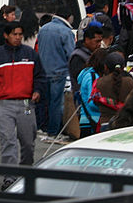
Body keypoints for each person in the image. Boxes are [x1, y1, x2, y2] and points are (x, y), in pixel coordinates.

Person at [0, 24, 44, 188]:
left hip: (26, 104)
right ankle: (9, 178)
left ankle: (25, 174)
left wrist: (37, 91)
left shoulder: (31, 54)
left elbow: (40, 76)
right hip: (4, 105)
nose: (18, 37)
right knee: (8, 142)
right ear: (6, 35)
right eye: (14, 34)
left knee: (28, 143)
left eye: (20, 34)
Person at [35, 11, 76, 139]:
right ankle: (53, 131)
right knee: (56, 103)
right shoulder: (66, 32)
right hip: (58, 72)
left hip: (42, 71)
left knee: (43, 101)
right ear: (68, 17)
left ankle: (41, 126)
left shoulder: (44, 29)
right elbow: (71, 54)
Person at [93, 51, 133, 131]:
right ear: (123, 67)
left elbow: (95, 102)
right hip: (125, 123)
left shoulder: (99, 83)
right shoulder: (129, 82)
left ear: (105, 67)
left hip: (105, 124)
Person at [77, 47, 107, 138]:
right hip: (91, 120)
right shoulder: (92, 76)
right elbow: (92, 100)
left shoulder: (88, 74)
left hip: (87, 119)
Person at [69, 24, 103, 90]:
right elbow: (80, 80)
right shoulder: (77, 56)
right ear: (87, 40)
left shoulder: (93, 53)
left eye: (100, 41)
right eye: (97, 41)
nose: (99, 44)